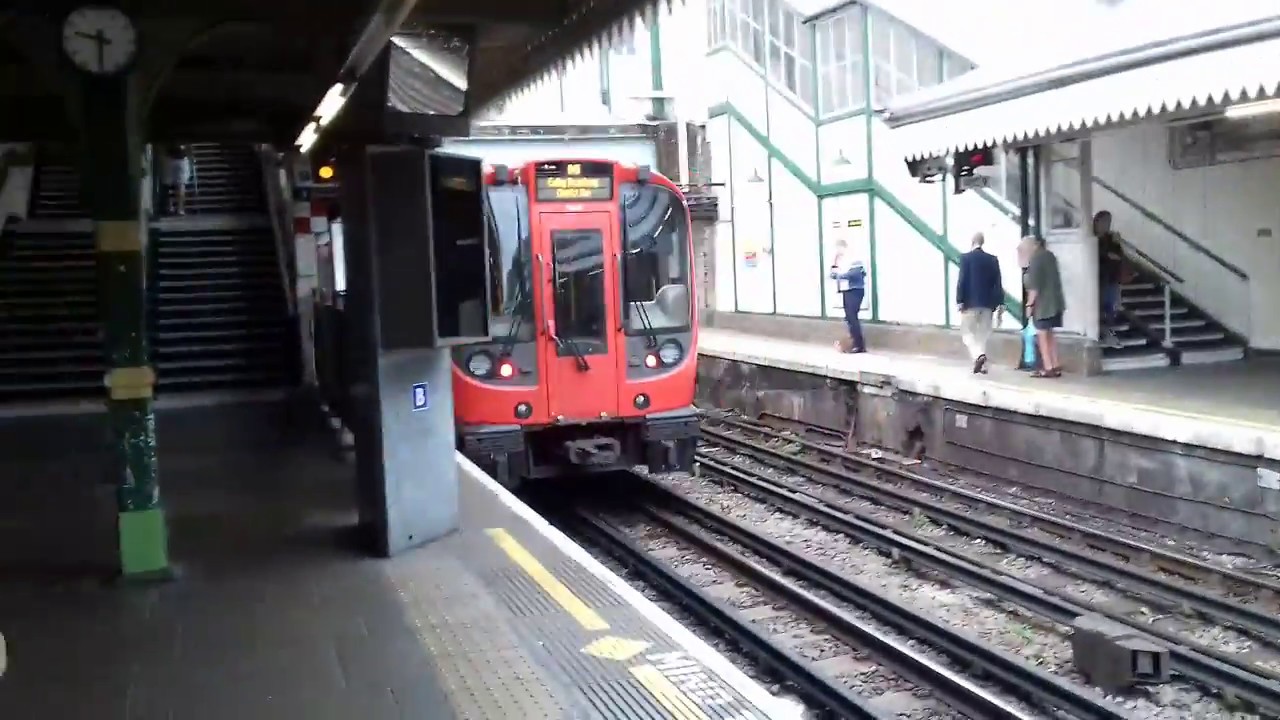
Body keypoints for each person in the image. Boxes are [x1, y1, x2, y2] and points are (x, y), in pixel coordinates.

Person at [955, 232, 1004, 374]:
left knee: (967, 333)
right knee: (982, 335)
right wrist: (999, 303)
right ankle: (982, 365)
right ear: (983, 242)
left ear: (972, 242)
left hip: (970, 303)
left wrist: (959, 300)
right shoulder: (992, 259)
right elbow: (997, 283)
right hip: (988, 304)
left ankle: (978, 356)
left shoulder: (966, 259)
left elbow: (962, 280)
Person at [1024, 235, 1065, 378]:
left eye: (1026, 246)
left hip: (1044, 305)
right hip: (1056, 302)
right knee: (1050, 333)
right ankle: (1055, 364)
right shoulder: (1050, 256)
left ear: (1034, 245)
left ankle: (1048, 367)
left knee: (1042, 334)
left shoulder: (1036, 259)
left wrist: (1029, 305)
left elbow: (1034, 286)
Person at [1093, 210, 1126, 348]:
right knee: (1099, 307)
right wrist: (1107, 255)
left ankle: (1108, 332)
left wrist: (1117, 245)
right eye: (1105, 222)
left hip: (1111, 278)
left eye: (1109, 222)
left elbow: (1119, 256)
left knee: (1111, 308)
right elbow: (1096, 255)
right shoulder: (1092, 238)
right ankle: (1101, 333)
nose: (1107, 225)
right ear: (1097, 222)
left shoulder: (1110, 239)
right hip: (1098, 279)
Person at [829, 239, 867, 354]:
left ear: (843, 247)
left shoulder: (853, 258)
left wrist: (840, 275)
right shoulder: (841, 260)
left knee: (852, 316)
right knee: (849, 318)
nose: (837, 251)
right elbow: (833, 274)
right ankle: (854, 342)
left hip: (855, 290)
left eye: (838, 248)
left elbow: (855, 273)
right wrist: (835, 262)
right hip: (846, 290)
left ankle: (859, 345)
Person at [162, 144, 193, 216]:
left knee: (168, 184)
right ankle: (180, 209)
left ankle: (170, 207)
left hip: (169, 158)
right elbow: (189, 146)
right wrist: (191, 157)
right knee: (181, 184)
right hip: (182, 158)